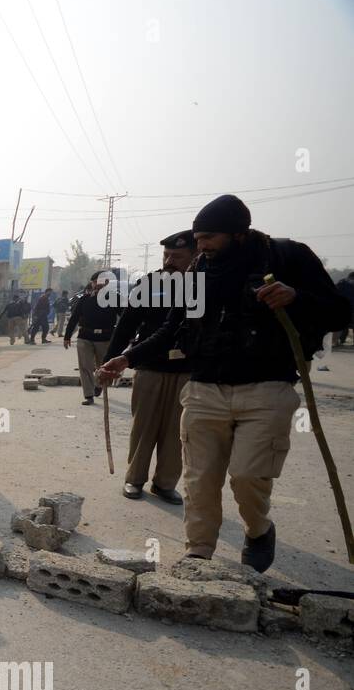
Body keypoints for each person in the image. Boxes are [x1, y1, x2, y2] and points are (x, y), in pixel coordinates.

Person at [98, 194, 351, 571]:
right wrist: (128, 357)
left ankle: (259, 530)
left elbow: (340, 311)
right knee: (199, 480)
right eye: (197, 240)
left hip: (266, 388)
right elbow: (173, 328)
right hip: (203, 388)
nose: (201, 247)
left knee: (248, 476)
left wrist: (295, 297)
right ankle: (198, 553)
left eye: (208, 238)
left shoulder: (288, 257)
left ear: (239, 233)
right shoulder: (199, 272)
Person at [104, 231, 195, 503]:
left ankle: (165, 484)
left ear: (195, 256)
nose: (169, 261)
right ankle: (134, 480)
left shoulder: (204, 286)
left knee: (177, 433)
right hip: (150, 367)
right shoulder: (149, 284)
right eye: (166, 255)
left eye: (177, 256)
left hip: (186, 371)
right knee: (143, 427)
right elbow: (126, 326)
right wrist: (110, 362)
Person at [64, 271, 118, 404]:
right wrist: (67, 336)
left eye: (100, 282)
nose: (97, 285)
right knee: (85, 366)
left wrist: (128, 335)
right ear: (92, 284)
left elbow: (125, 318)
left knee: (103, 366)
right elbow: (74, 318)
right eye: (94, 282)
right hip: (85, 337)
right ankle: (88, 395)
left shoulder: (115, 299)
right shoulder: (84, 299)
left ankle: (98, 385)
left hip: (105, 338)